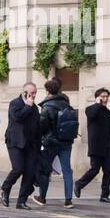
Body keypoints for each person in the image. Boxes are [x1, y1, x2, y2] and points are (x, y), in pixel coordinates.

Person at [35, 79, 76, 208]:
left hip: (50, 142)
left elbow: (41, 126)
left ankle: (42, 197)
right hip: (66, 142)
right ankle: (68, 200)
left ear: (47, 91)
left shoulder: (47, 107)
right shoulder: (67, 104)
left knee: (46, 170)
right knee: (67, 170)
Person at [0, 82, 40, 209]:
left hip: (30, 144)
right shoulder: (15, 103)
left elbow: (37, 127)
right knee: (18, 168)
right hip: (15, 142)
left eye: (35, 93)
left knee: (29, 172)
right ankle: (5, 188)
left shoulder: (34, 108)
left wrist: (39, 146)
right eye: (31, 92)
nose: (33, 95)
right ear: (24, 92)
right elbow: (17, 118)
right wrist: (27, 106)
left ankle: (21, 202)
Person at [74, 87, 110, 203]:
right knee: (95, 169)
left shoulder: (109, 113)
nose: (105, 99)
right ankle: (79, 184)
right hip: (97, 147)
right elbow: (92, 115)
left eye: (106, 96)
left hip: (108, 147)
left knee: (108, 172)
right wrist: (97, 104)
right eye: (103, 96)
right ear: (97, 98)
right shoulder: (91, 109)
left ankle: (104, 195)